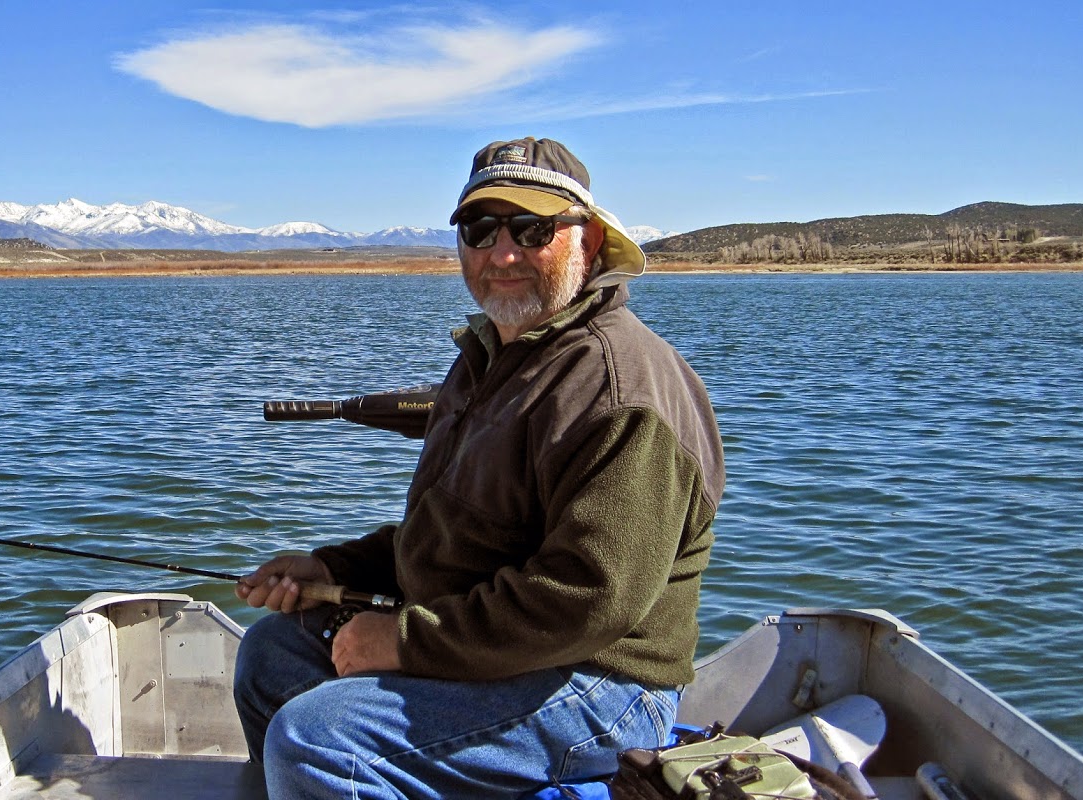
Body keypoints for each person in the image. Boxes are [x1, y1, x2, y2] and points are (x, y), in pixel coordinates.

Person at [233, 137, 725, 798]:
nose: (503, 253)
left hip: (604, 682)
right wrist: (333, 569)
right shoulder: (491, 359)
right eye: (479, 229)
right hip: (497, 644)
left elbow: (585, 600)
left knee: (319, 741)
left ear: (591, 239)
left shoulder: (619, 387)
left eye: (533, 229)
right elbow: (456, 535)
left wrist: (404, 643)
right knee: (270, 657)